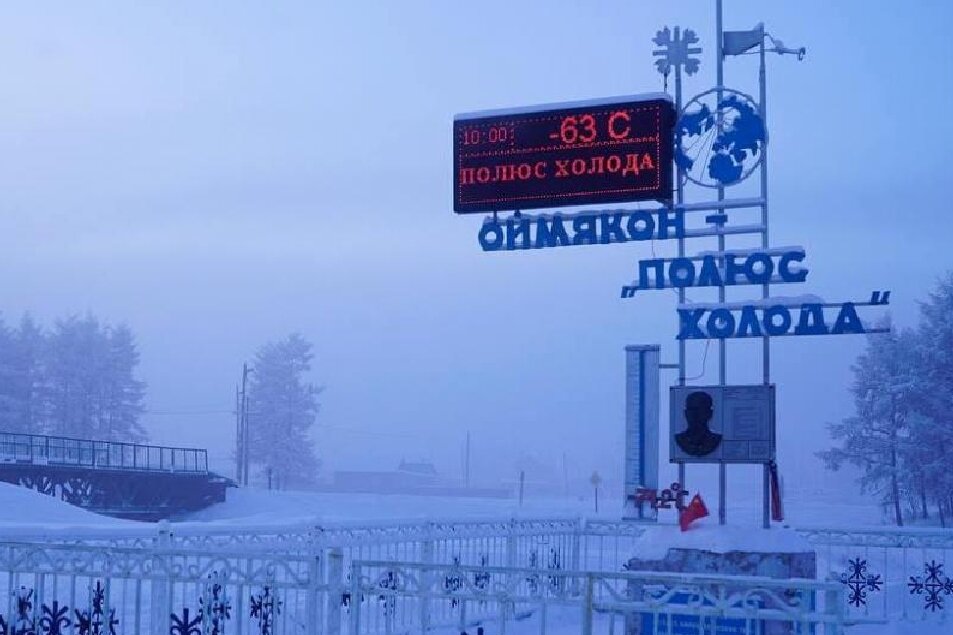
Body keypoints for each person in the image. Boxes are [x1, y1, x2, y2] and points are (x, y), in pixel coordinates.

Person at [675, 391, 722, 456]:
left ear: (709, 413)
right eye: (691, 409)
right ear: (686, 413)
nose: (695, 414)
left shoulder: (716, 440)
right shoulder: (679, 439)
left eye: (701, 409)